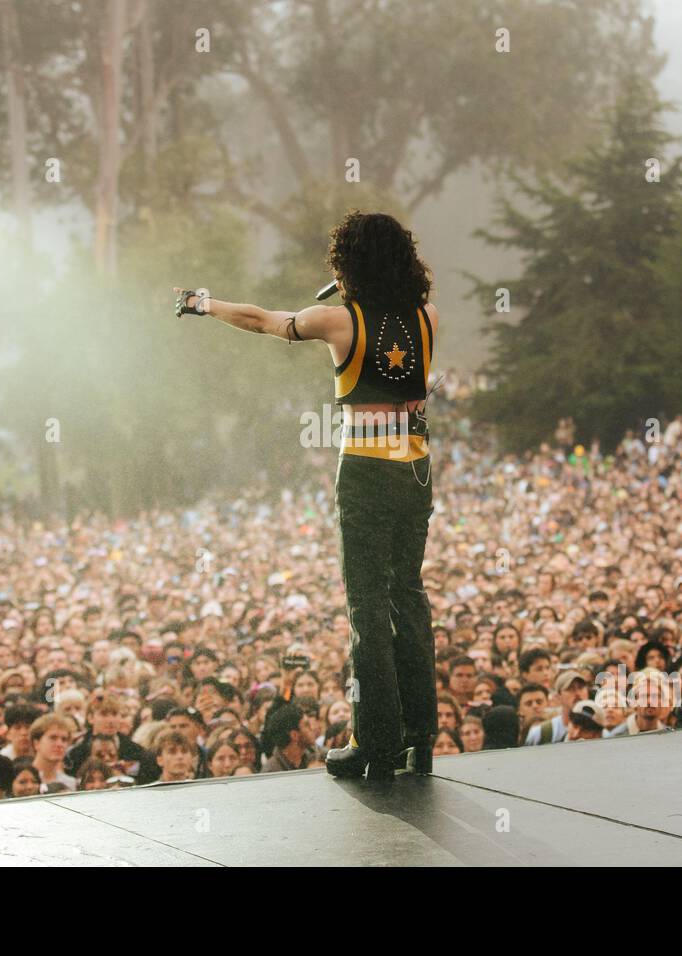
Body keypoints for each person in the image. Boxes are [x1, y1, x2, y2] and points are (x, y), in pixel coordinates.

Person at [178, 210, 440, 784]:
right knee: (409, 596)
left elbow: (263, 320)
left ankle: (374, 743)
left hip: (367, 473)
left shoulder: (338, 321)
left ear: (347, 264)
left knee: (366, 606)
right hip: (417, 470)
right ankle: (421, 737)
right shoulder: (427, 318)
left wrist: (206, 304)